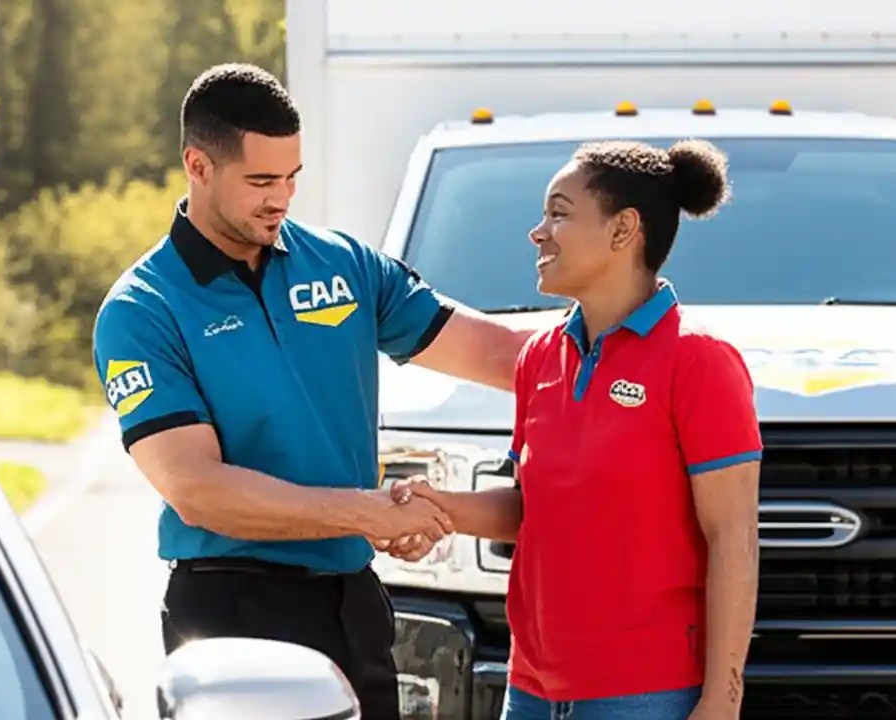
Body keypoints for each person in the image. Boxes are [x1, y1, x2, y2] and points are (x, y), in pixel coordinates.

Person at [90, 63, 536, 719]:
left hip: (354, 602)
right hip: (230, 613)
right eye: (262, 181)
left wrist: (662, 363)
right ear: (198, 165)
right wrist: (368, 512)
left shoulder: (344, 265)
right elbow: (199, 490)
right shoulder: (142, 309)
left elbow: (505, 356)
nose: (282, 198)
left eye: (293, 177)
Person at [391, 139, 762, 720]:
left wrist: (721, 700)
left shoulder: (699, 361)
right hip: (531, 689)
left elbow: (733, 539)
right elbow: (535, 507)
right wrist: (440, 509)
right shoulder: (539, 356)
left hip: (647, 693)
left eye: (559, 213)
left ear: (623, 230)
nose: (538, 232)